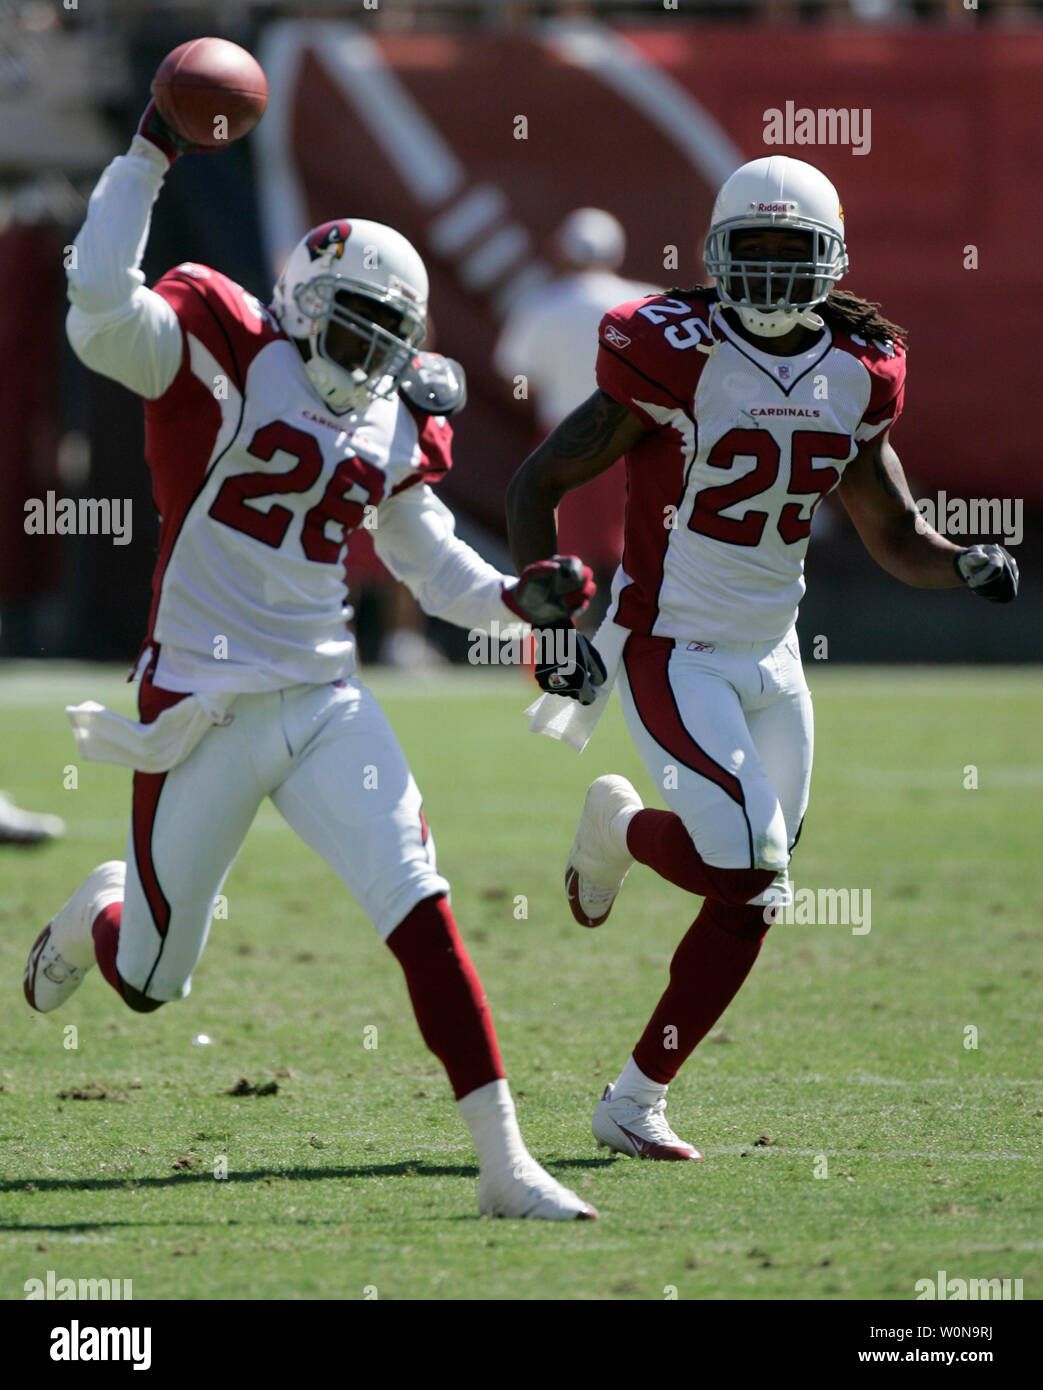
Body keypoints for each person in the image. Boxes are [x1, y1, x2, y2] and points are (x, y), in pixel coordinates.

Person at [23, 99, 600, 1222]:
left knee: (418, 900)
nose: (367, 361)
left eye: (389, 342)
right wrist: (147, 154)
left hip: (329, 700)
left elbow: (428, 561)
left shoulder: (393, 420)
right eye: (351, 334)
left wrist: (514, 601)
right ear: (300, 308)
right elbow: (96, 303)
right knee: (149, 981)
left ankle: (504, 1162)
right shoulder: (218, 350)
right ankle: (107, 907)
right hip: (202, 706)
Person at [506, 155, 1019, 1161]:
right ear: (715, 256)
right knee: (750, 868)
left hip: (770, 654)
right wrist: (552, 624)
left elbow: (895, 531)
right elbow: (536, 482)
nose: (777, 275)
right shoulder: (669, 352)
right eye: (757, 251)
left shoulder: (857, 370)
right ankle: (631, 1101)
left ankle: (618, 833)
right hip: (670, 645)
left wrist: (962, 566)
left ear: (831, 261)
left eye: (796, 254)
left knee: (753, 885)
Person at [494, 208, 658, 597]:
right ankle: (634, 646)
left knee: (559, 553)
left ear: (564, 252)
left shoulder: (539, 303)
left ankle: (559, 646)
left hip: (562, 439)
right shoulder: (647, 302)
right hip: (633, 440)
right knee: (636, 551)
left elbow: (514, 379)